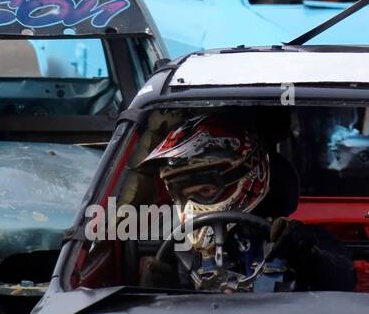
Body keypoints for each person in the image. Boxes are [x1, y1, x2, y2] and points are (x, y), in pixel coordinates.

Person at [138, 115, 354, 292]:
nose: (194, 205)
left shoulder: (297, 239)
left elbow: (345, 283)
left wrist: (306, 254)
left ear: (249, 177)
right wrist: (163, 292)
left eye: (205, 190)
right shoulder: (183, 254)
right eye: (187, 195)